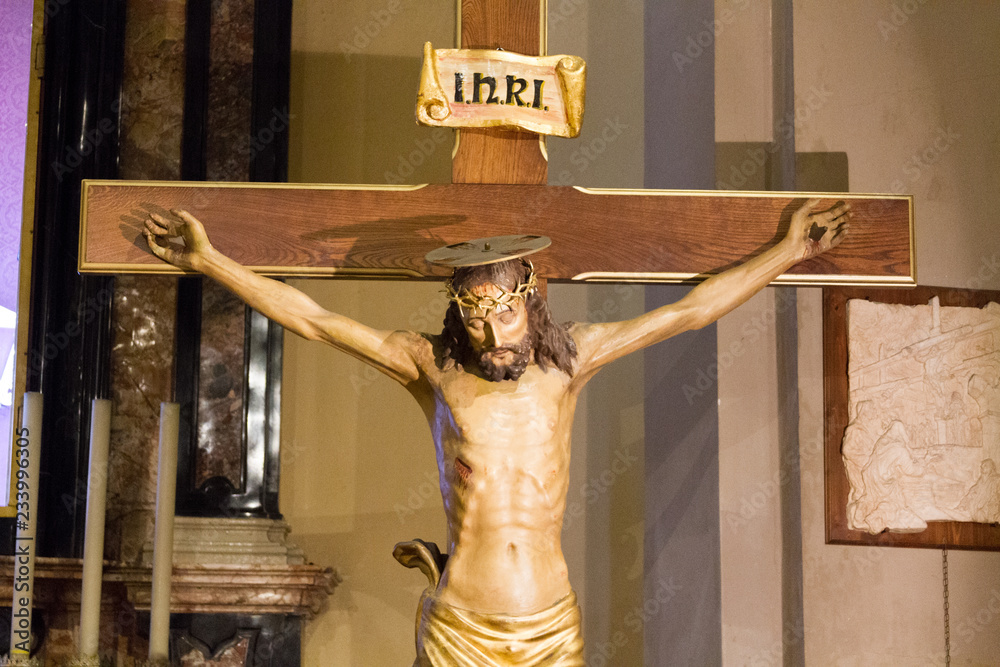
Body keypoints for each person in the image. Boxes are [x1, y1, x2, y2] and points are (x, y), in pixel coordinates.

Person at [144, 198, 850, 666]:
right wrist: (210, 261)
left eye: (505, 314)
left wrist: (788, 252)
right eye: (476, 317)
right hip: (461, 629)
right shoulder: (431, 365)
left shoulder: (573, 359)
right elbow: (314, 320)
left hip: (550, 622)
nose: (492, 334)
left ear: (532, 298)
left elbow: (689, 313)